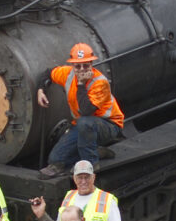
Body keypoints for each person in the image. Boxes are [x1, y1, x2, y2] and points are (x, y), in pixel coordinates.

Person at [35, 43, 125, 178]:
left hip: (109, 125)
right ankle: (96, 151)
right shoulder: (67, 74)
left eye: (86, 65)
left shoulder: (100, 82)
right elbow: (48, 73)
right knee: (55, 159)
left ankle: (91, 164)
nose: (82, 69)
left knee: (85, 122)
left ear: (91, 64)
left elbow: (86, 110)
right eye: (77, 66)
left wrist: (81, 83)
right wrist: (40, 90)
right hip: (84, 126)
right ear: (72, 66)